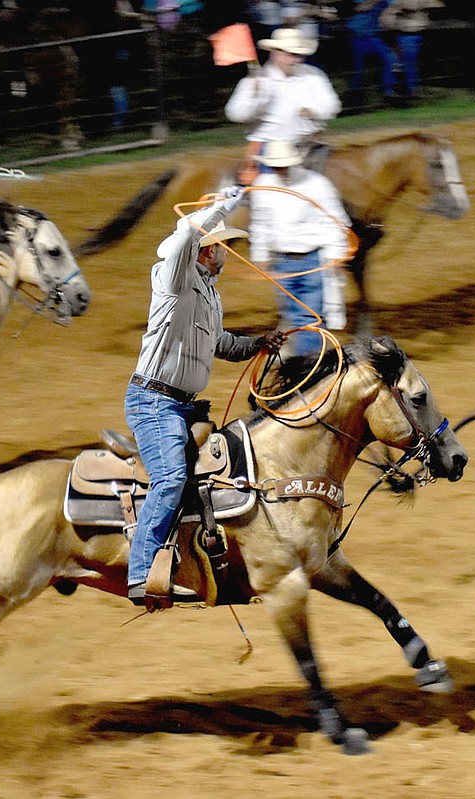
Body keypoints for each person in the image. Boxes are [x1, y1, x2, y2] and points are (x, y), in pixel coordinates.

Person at [125, 192, 286, 605]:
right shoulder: (174, 278)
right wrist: (224, 206)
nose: (229, 254)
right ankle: (141, 573)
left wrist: (257, 343)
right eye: (225, 246)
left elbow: (222, 344)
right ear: (210, 249)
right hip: (153, 402)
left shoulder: (211, 295)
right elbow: (183, 237)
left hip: (182, 405)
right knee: (171, 478)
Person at [246, 140, 352, 358]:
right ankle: (308, 362)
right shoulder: (263, 187)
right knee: (293, 315)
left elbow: (336, 222)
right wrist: (260, 255)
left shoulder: (317, 184)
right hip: (282, 263)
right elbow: (260, 223)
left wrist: (336, 255)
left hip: (313, 261)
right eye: (276, 165)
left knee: (309, 318)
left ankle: (306, 367)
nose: (280, 169)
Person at [224, 27, 342, 185]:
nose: (295, 60)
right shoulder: (255, 81)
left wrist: (314, 110)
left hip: (311, 145)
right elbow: (235, 114)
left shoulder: (313, 75)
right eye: (290, 54)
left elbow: (333, 105)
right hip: (270, 151)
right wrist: (255, 98)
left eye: (298, 55)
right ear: (274, 53)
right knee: (271, 191)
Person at [379, 0, 444, 101]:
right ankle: (412, 89)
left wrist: (421, 6)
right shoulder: (396, 2)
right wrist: (399, 11)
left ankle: (417, 88)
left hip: (425, 33)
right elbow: (385, 19)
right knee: (408, 57)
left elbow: (438, 5)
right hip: (406, 34)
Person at [345, 0, 398, 105]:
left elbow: (394, 7)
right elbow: (360, 8)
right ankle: (354, 97)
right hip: (357, 34)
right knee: (358, 69)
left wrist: (390, 13)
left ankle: (388, 91)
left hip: (372, 35)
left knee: (389, 58)